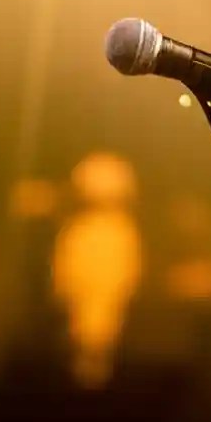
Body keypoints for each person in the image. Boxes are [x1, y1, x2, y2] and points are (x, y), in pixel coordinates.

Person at [52, 152, 143, 389]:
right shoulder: (82, 230)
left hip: (102, 284)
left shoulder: (118, 231)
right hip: (92, 283)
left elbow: (126, 272)